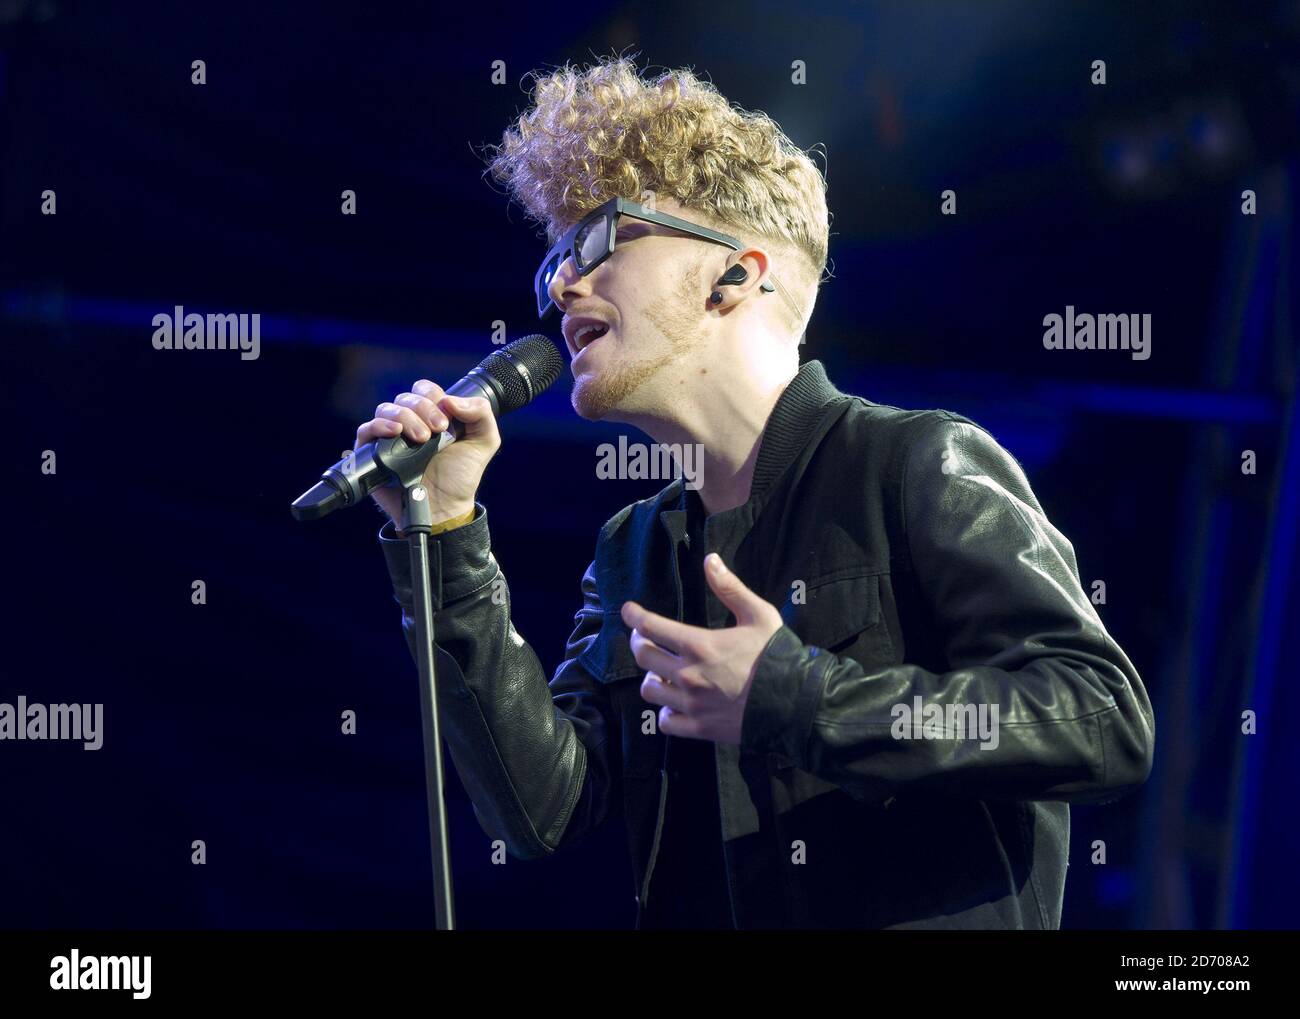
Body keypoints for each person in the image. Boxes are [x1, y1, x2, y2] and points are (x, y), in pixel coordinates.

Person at [355, 56, 1154, 928]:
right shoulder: (635, 549)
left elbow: (1101, 718)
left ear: (735, 274)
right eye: (553, 256)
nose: (561, 283)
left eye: (597, 240)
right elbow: (540, 808)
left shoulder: (918, 462)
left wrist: (798, 697)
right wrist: (445, 533)